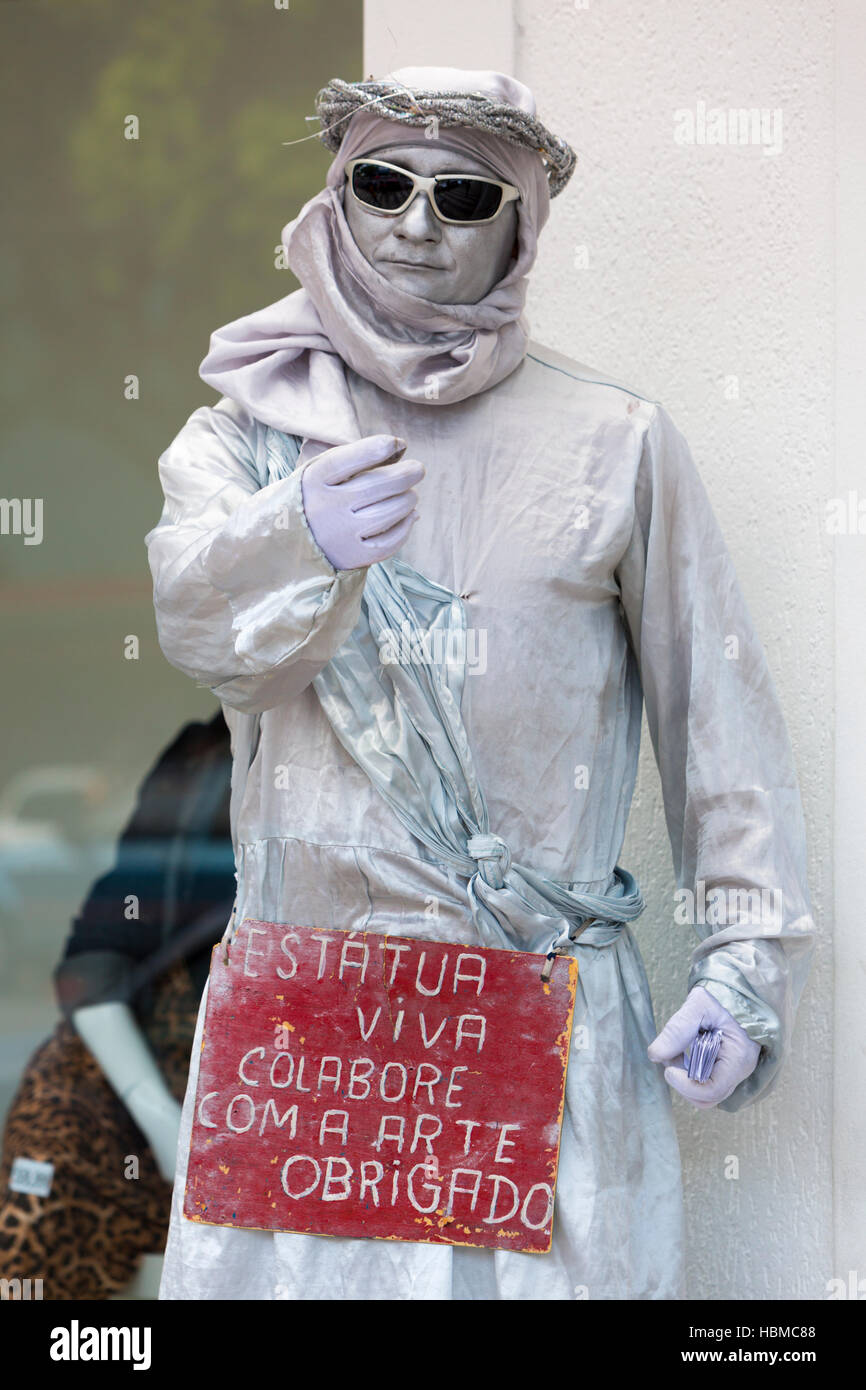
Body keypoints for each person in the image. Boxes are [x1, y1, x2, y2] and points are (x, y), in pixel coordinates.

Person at [145, 67, 815, 1301]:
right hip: (315, 1014)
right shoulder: (245, 434)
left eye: (462, 195)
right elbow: (203, 632)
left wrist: (744, 966)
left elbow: (714, 722)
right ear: (335, 198)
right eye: (382, 182)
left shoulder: (615, 442)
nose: (415, 222)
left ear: (519, 226)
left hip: (528, 1010)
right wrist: (291, 530)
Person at [0, 712, 234, 1299]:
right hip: (165, 1059)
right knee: (50, 1140)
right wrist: (150, 1106)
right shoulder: (201, 752)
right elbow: (101, 939)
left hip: (296, 1080)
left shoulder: (375, 741)